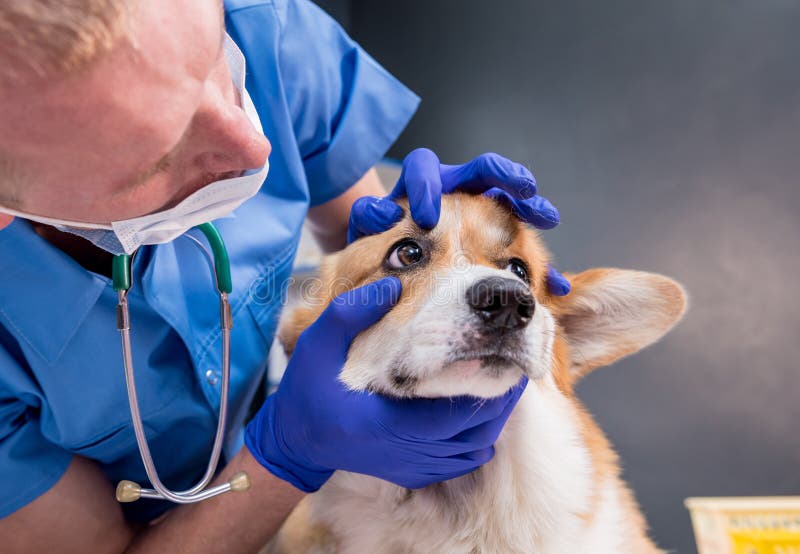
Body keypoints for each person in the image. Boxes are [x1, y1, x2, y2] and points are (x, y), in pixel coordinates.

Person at [0, 0, 570, 551]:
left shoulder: (259, 26)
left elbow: (363, 248)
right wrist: (287, 457)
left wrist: (417, 241)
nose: (255, 147)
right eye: (159, 154)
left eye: (215, 68)